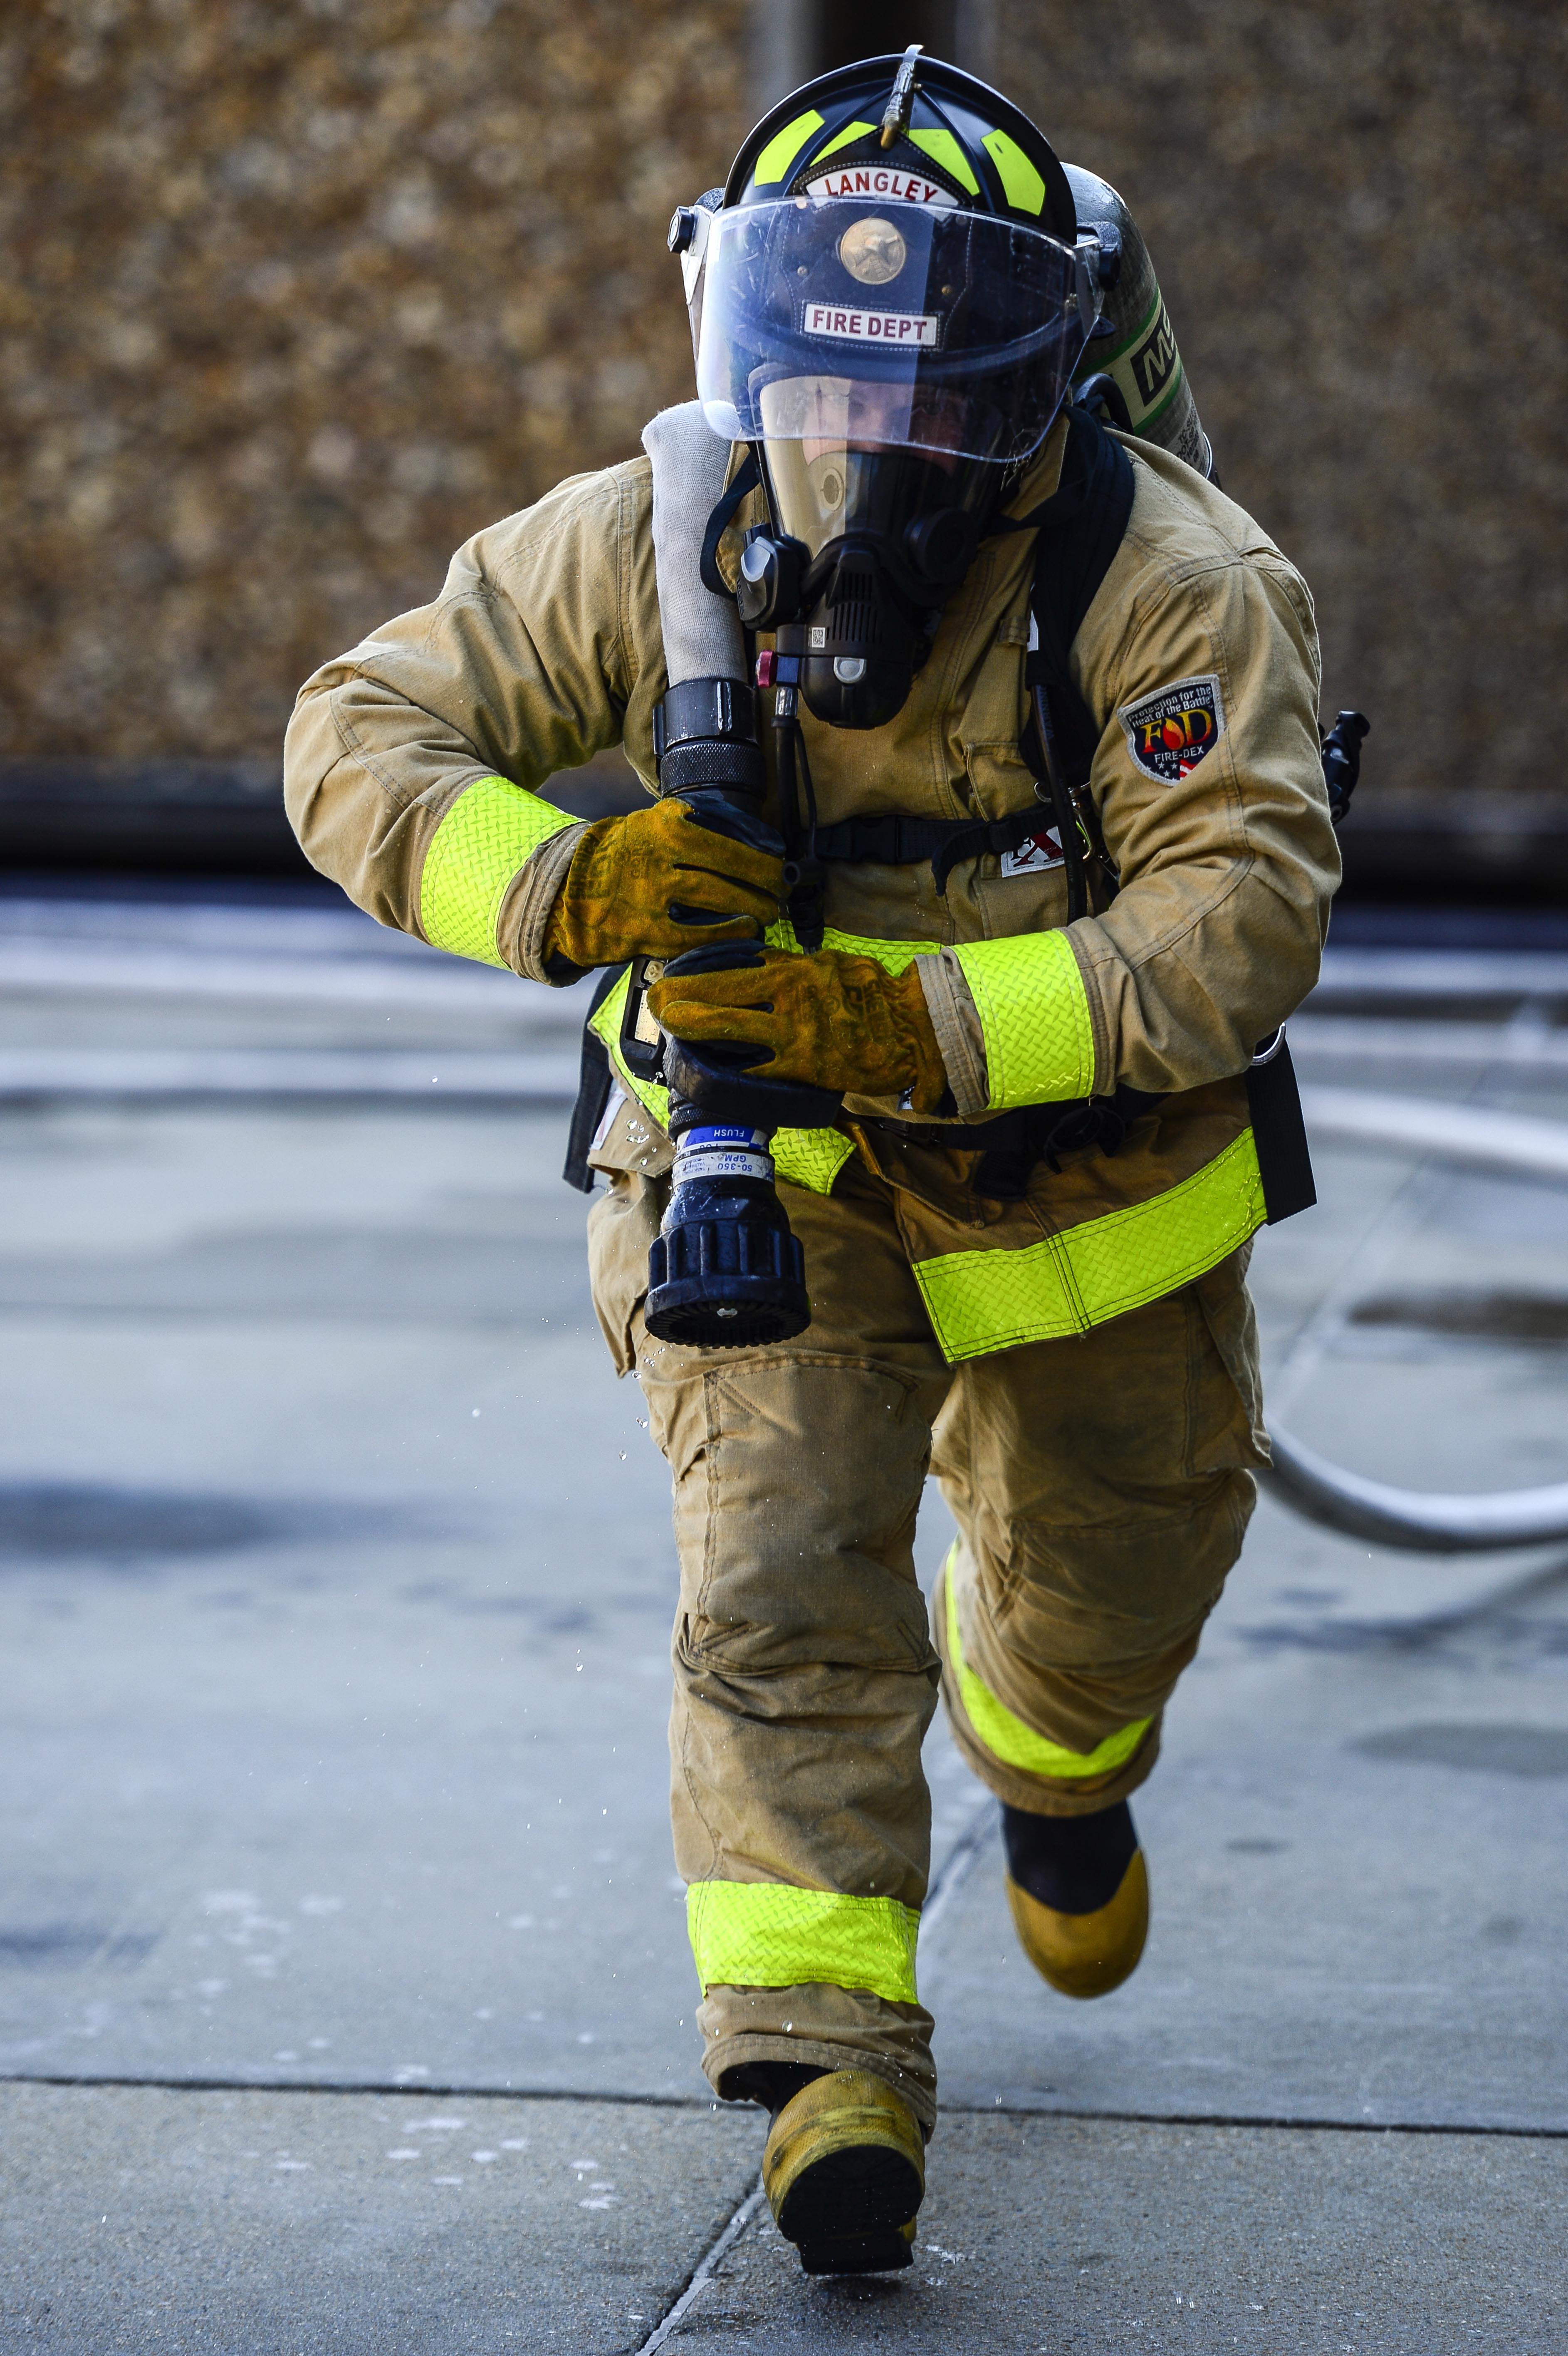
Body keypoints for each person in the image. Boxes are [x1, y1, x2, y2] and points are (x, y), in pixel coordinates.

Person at [284, 48, 1338, 2279]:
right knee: (776, 1587)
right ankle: (826, 2058)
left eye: (927, 394)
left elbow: (1240, 916)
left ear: (1032, 367)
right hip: (770, 1183)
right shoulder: (668, 528)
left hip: (1094, 1218)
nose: (863, 453)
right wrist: (565, 886)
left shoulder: (1170, 582)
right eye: (819, 390)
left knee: (1105, 1599)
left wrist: (907, 1017)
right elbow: (351, 731)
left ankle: (1055, 1764)